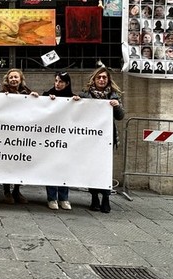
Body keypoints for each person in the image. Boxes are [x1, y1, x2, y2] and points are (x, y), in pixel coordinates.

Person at [80, 66, 125, 213]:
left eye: (104, 77)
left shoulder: (114, 95)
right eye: (98, 77)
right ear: (94, 79)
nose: (101, 80)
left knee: (105, 168)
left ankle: (106, 197)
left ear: (108, 80)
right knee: (93, 168)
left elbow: (120, 116)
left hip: (107, 138)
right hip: (91, 138)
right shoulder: (85, 95)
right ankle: (94, 197)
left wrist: (117, 106)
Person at [0, 68, 38, 204]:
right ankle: (6, 191)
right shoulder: (2, 93)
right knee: (7, 162)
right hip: (7, 134)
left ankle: (16, 190)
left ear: (21, 79)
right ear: (7, 79)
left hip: (22, 135)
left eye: (16, 77)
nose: (13, 80)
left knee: (19, 163)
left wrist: (35, 99)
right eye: (11, 77)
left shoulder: (27, 93)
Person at [43, 72, 79, 210]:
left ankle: (64, 198)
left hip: (66, 139)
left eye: (61, 82)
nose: (57, 84)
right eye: (56, 81)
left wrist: (78, 102)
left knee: (65, 166)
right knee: (51, 167)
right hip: (50, 138)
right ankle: (52, 197)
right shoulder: (48, 94)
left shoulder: (72, 97)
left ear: (67, 83)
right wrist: (47, 100)